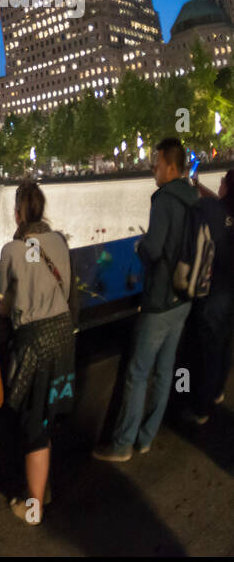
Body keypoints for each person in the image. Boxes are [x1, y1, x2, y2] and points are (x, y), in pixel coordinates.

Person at [95, 138, 199, 462]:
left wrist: (140, 247)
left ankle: (123, 443)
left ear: (170, 166)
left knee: (138, 373)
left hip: (160, 299)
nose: (153, 168)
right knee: (165, 370)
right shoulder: (194, 195)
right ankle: (147, 436)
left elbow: (154, 248)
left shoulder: (164, 198)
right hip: (185, 297)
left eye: (156, 163)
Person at [0, 180, 74, 525]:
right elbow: (67, 289)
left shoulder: (12, 251)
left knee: (33, 425)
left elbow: (5, 304)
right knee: (47, 415)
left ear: (17, 213)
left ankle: (34, 507)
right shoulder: (59, 241)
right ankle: (42, 487)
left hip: (33, 343)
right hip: (63, 337)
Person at [183, 169, 234, 424]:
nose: (220, 183)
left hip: (214, 293)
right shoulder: (226, 210)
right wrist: (199, 185)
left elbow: (207, 206)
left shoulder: (212, 211)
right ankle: (217, 393)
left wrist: (192, 190)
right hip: (230, 290)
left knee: (208, 352)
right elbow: (217, 202)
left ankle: (201, 409)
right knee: (225, 345)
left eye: (224, 180)